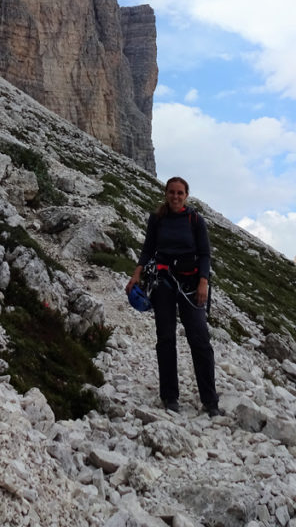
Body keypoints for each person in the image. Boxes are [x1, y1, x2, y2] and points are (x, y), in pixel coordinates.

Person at [126, 175, 220, 416]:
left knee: (199, 339)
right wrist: (136, 274)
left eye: (180, 193)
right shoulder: (157, 219)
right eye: (172, 192)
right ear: (166, 194)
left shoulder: (195, 219)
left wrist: (203, 282)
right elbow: (148, 249)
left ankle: (210, 401)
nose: (175, 196)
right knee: (165, 338)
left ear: (186, 196)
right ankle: (169, 397)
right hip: (163, 283)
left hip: (191, 284)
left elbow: (205, 254)